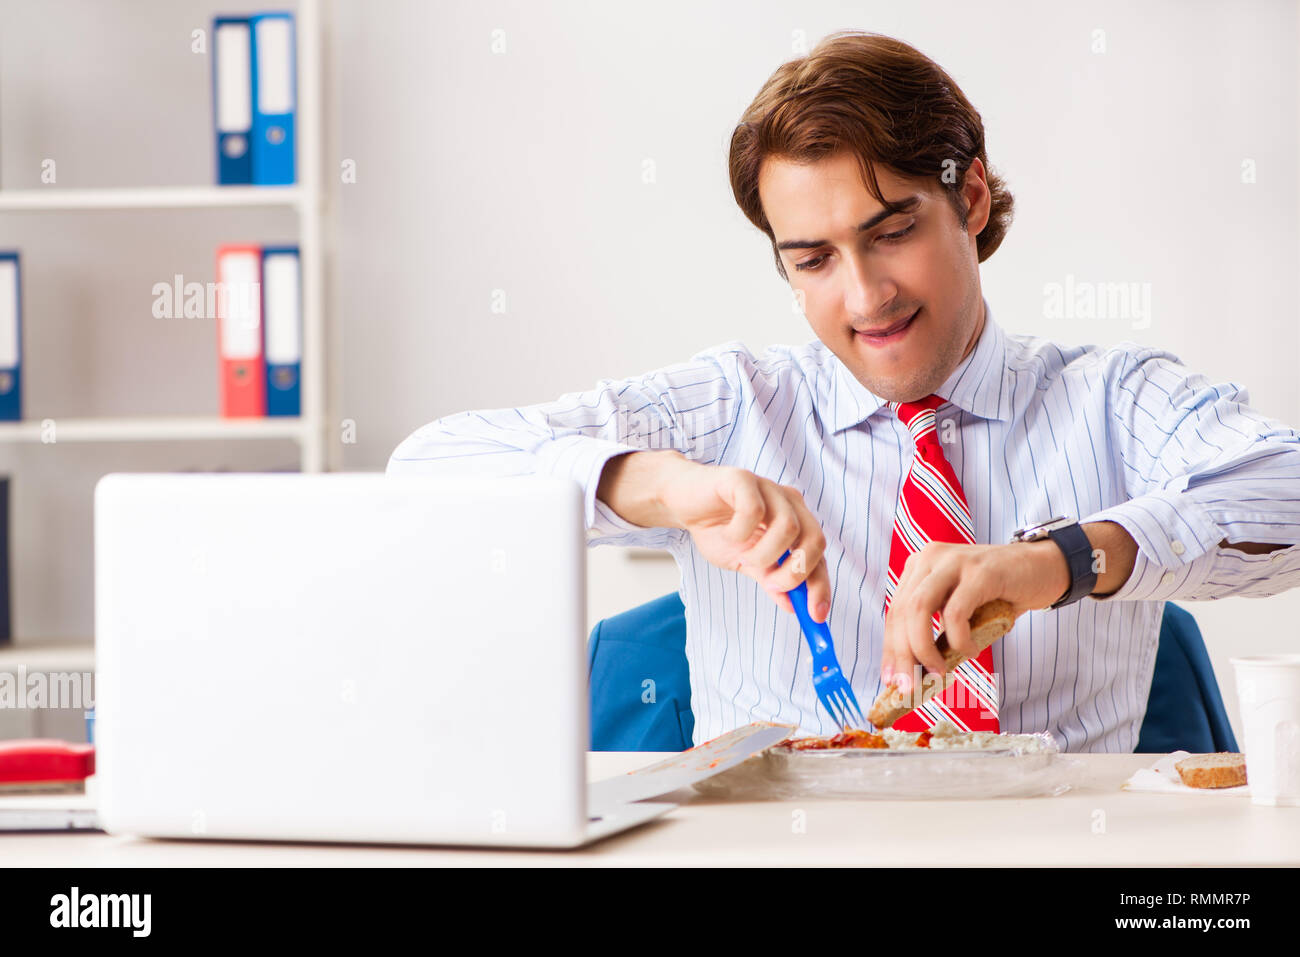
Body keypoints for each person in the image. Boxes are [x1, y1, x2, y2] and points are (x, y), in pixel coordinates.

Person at [387, 30, 1300, 751]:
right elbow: (427, 469)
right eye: (813, 259)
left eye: (892, 230)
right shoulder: (731, 406)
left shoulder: (1112, 399)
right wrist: (668, 488)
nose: (865, 297)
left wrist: (1054, 561)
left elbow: (1287, 491)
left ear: (971, 200)